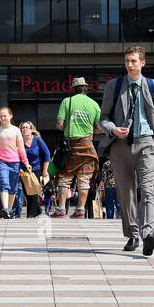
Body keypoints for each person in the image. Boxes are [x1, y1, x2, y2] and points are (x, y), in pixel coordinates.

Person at [98, 46, 154, 257]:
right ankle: (133, 234)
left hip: (145, 143)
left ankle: (148, 232)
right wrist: (113, 129)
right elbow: (103, 118)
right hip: (120, 145)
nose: (129, 64)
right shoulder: (114, 86)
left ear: (142, 63)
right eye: (127, 60)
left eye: (134, 61)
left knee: (147, 190)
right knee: (126, 193)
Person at [54, 77, 101, 219]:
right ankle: (80, 210)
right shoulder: (94, 104)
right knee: (84, 179)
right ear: (86, 88)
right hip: (87, 145)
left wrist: (70, 126)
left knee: (64, 178)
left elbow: (59, 125)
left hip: (70, 146)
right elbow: (99, 128)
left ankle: (61, 210)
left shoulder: (67, 102)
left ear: (73, 89)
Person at [0, 107, 31, 220]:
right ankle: (6, 209)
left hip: (15, 162)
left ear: (10, 116)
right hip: (1, 161)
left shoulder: (16, 130)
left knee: (13, 187)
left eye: (5, 116)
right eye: (1, 116)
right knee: (4, 184)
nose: (3, 118)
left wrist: (26, 162)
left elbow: (21, 148)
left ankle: (9, 209)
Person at [20, 121, 49, 218]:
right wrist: (19, 168)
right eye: (23, 128)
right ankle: (38, 210)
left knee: (33, 191)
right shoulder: (19, 141)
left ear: (31, 129)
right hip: (23, 170)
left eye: (27, 127)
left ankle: (31, 215)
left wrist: (45, 170)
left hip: (37, 169)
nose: (25, 129)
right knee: (27, 193)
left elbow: (47, 154)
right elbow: (16, 156)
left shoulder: (37, 140)